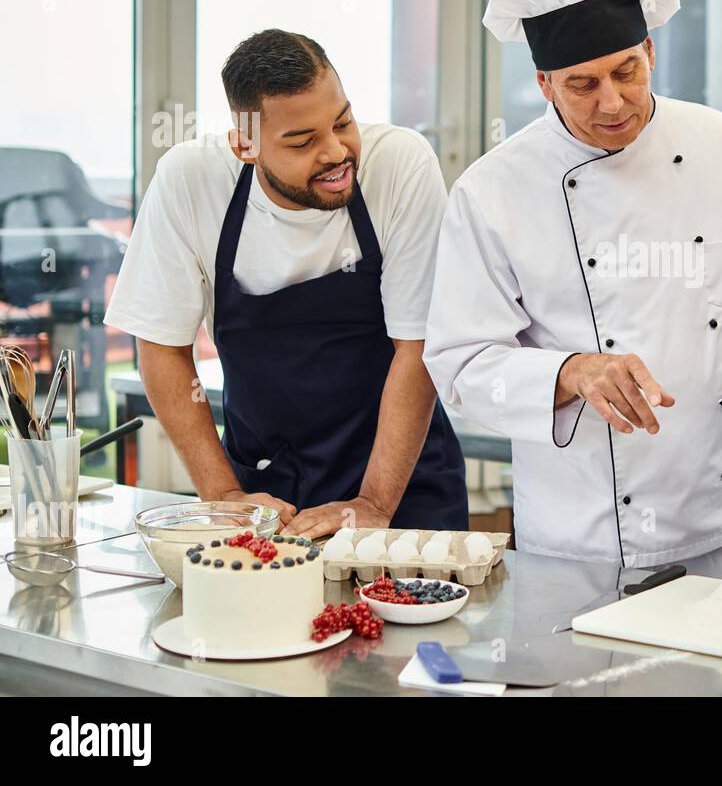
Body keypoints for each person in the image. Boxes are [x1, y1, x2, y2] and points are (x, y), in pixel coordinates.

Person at [424, 0, 722, 575]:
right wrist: (570, 372)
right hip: (578, 531)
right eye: (582, 84)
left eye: (627, 70)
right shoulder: (493, 190)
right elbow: (459, 364)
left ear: (650, 50)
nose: (612, 102)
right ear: (543, 84)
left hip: (717, 511)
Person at [106, 29, 467, 537]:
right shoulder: (190, 180)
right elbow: (162, 348)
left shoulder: (400, 165)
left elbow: (417, 348)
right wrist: (224, 495)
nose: (336, 152)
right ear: (245, 146)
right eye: (301, 141)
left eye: (342, 122)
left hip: (403, 488)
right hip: (265, 491)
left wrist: (374, 504)